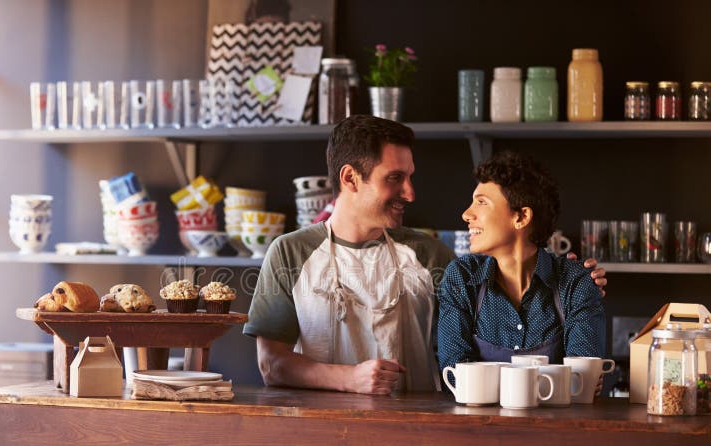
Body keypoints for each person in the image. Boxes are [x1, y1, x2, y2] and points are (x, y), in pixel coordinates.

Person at [244, 115, 606, 395]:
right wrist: (349, 379)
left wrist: (569, 280)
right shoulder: (291, 252)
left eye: (410, 177)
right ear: (350, 178)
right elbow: (271, 364)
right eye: (395, 178)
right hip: (321, 435)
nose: (411, 193)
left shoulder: (430, 255)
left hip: (417, 436)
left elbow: (504, 287)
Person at [437, 151, 606, 369]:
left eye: (481, 202)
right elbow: (454, 373)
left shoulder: (574, 282)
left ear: (521, 217)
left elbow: (583, 379)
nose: (466, 214)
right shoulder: (462, 277)